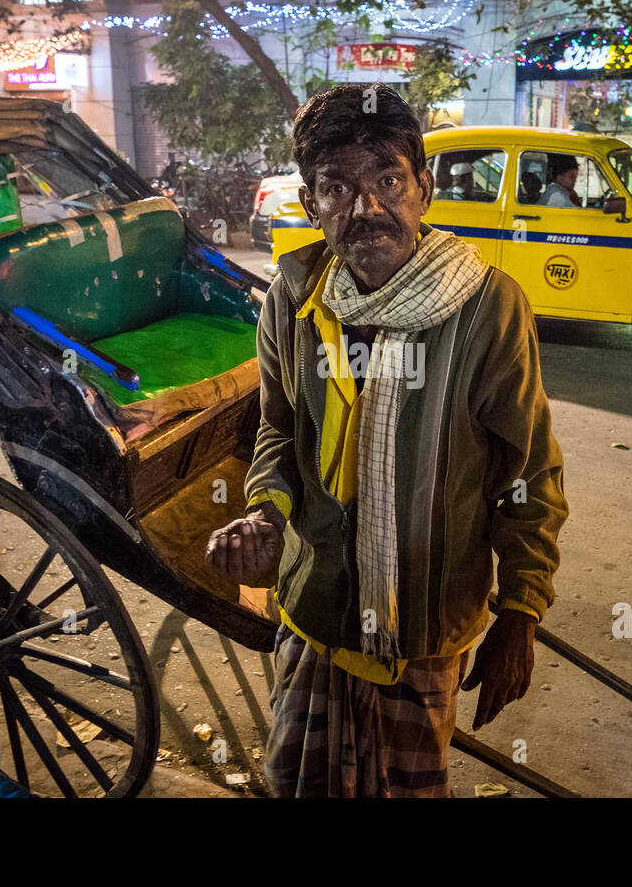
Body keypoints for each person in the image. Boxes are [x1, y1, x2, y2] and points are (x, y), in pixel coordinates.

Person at [205, 83, 567, 798]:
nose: (367, 209)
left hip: (425, 623)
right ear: (311, 204)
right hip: (315, 606)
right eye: (337, 188)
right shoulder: (294, 300)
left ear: (424, 188)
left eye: (389, 181)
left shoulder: (487, 307)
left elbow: (529, 474)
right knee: (298, 782)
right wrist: (265, 514)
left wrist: (520, 613)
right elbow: (279, 428)